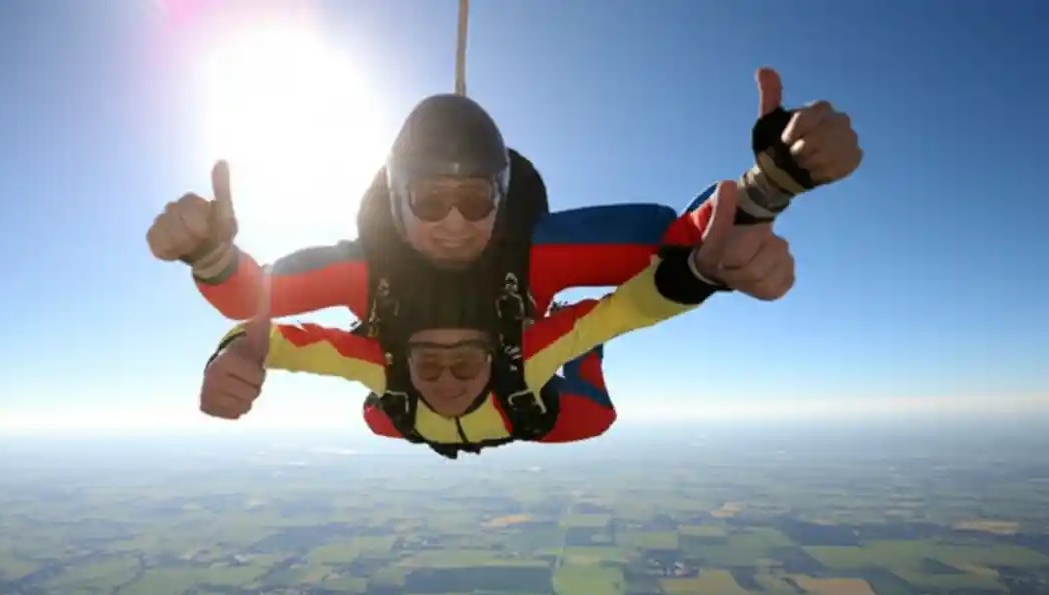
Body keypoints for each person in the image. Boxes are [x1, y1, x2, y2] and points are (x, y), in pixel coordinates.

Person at [152, 68, 861, 436]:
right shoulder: (369, 272)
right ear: (396, 200)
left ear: (502, 194)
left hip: (540, 389)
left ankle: (547, 352)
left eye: (477, 200)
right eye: (431, 200)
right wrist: (216, 274)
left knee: (574, 357)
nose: (456, 222)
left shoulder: (536, 255)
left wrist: (768, 185)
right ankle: (536, 349)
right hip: (454, 384)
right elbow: (259, 307)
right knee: (389, 405)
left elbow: (679, 242)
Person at [201, 181, 779, 458]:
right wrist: (232, 350)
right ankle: (559, 333)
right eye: (430, 363)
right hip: (489, 395)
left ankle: (564, 342)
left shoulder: (520, 360)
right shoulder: (387, 369)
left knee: (589, 409)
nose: (448, 379)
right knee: (381, 419)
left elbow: (622, 310)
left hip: (533, 398)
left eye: (463, 361)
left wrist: (758, 194)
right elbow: (276, 336)